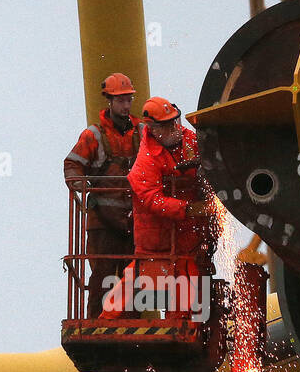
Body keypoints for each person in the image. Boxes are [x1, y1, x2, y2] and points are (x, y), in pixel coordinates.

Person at [100, 96, 218, 320]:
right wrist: (192, 209)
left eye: (175, 121)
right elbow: (153, 200)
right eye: (167, 124)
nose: (174, 128)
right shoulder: (146, 161)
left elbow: (209, 158)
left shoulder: (189, 140)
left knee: (187, 287)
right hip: (156, 242)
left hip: (187, 240)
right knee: (138, 277)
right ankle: (105, 322)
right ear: (153, 128)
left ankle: (179, 330)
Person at [64, 73, 143, 318]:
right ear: (109, 100)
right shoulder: (94, 135)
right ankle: (95, 322)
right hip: (102, 221)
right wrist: (82, 186)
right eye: (120, 100)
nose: (126, 105)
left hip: (134, 220)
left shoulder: (141, 133)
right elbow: (72, 166)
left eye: (128, 99)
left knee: (134, 275)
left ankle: (132, 324)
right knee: (102, 275)